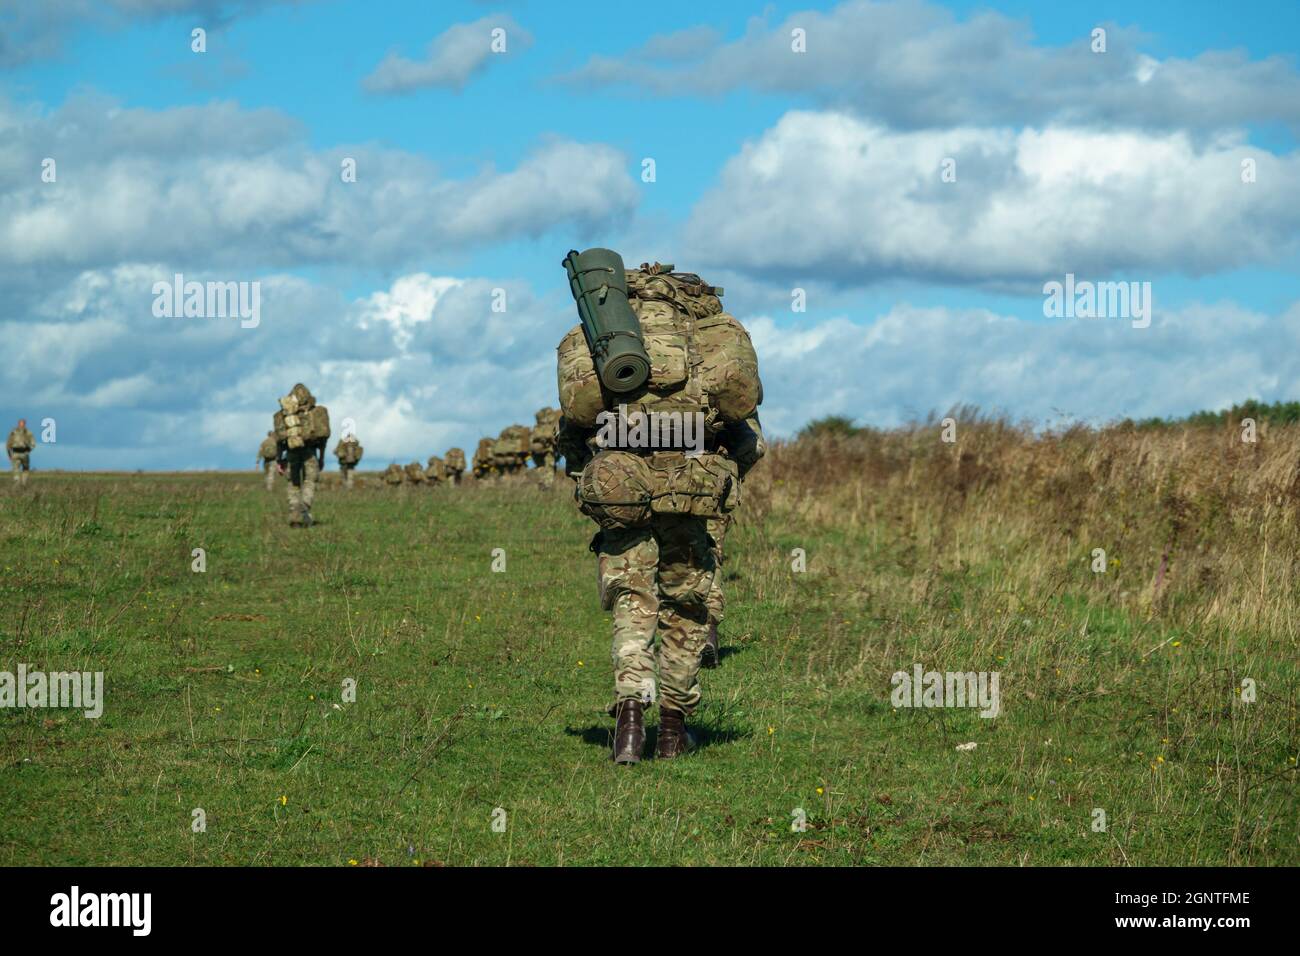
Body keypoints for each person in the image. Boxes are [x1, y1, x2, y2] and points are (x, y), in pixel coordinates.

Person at [556, 254, 765, 763]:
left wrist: (596, 469)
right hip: (691, 487)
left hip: (620, 484)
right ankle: (672, 730)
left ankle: (630, 721)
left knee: (633, 598)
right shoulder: (710, 331)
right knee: (686, 605)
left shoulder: (600, 337)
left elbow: (574, 426)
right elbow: (744, 425)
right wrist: (722, 470)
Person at [273, 383, 329, 527]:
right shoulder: (316, 412)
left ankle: (294, 515)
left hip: (291, 453)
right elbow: (323, 438)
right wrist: (322, 457)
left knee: (293, 484)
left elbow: (279, 440)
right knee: (310, 481)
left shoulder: (284, 414)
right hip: (310, 452)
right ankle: (304, 506)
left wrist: (279, 459)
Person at [6, 418, 35, 486]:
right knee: (25, 469)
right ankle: (23, 484)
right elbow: (33, 444)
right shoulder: (28, 432)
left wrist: (9, 455)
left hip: (15, 453)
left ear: (18, 424)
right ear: (25, 424)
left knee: (16, 469)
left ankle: (17, 483)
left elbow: (8, 445)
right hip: (24, 453)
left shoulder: (13, 432)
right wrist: (28, 451)